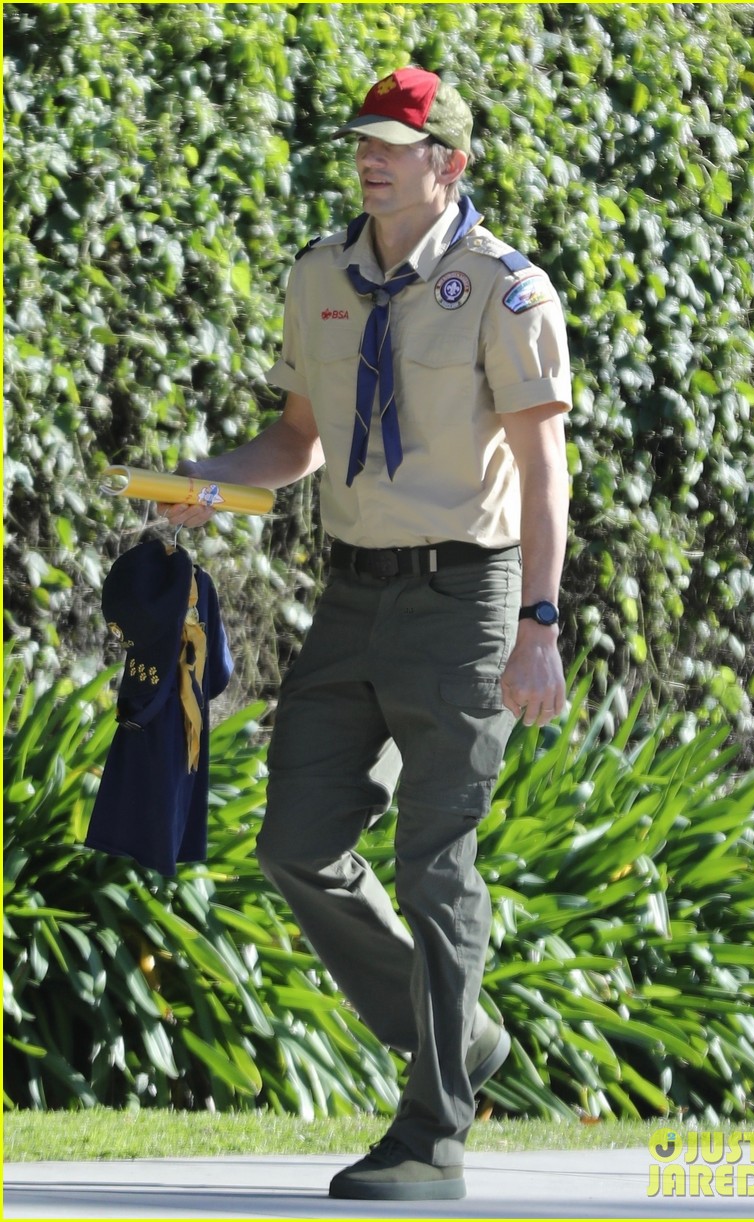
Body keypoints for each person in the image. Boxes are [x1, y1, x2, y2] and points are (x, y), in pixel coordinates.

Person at [162, 66, 572, 1201]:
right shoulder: (317, 278)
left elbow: (543, 467)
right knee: (294, 839)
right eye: (364, 141)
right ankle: (461, 1037)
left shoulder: (506, 289)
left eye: (398, 143)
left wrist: (539, 620)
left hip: (466, 601)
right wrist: (202, 484)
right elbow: (296, 440)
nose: (372, 157)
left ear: (451, 161)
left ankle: (432, 1131)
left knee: (436, 862)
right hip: (349, 597)